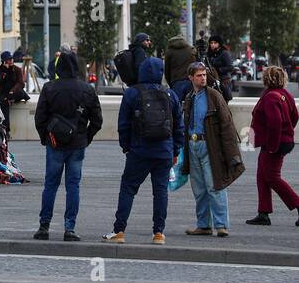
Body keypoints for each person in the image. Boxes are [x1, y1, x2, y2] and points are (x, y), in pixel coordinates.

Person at [105, 57, 183, 243]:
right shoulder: (170, 94)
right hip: (164, 151)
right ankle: (158, 233)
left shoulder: (132, 93)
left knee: (128, 189)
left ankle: (119, 231)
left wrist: (126, 148)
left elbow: (123, 124)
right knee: (161, 192)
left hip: (139, 150)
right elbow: (179, 126)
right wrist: (175, 151)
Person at [33, 51, 103, 241]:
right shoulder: (87, 89)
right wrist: (85, 138)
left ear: (58, 67)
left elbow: (40, 118)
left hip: (54, 144)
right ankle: (69, 228)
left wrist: (45, 137)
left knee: (50, 185)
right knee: (73, 186)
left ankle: (44, 226)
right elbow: (97, 120)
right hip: (77, 144)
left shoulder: (49, 88)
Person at [181, 61, 244, 236]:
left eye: (204, 75)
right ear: (191, 78)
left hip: (210, 146)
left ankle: (221, 225)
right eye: (199, 75)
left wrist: (232, 154)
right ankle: (204, 225)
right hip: (193, 144)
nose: (202, 78)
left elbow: (227, 125)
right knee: (199, 188)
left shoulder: (214, 96)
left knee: (215, 185)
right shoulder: (189, 97)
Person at [246, 65, 299, 226]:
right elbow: (295, 116)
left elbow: (275, 123)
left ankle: (297, 204)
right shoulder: (285, 95)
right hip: (282, 141)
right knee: (262, 176)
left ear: (267, 79)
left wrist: (272, 145)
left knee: (272, 178)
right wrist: (288, 132)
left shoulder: (270, 97)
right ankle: (263, 212)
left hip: (273, 144)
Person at [0, 51, 28, 140]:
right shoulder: (0, 69)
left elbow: (21, 83)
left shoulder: (16, 69)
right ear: (4, 61)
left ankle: (9, 99)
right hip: (4, 94)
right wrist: (4, 72)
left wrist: (12, 92)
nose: (11, 61)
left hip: (15, 93)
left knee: (17, 94)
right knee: (4, 102)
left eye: (11, 59)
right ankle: (6, 130)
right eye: (9, 60)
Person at [164, 34, 197, 104]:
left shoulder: (169, 52)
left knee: (176, 106)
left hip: (176, 82)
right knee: (191, 105)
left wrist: (170, 83)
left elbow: (166, 70)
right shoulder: (191, 49)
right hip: (190, 81)